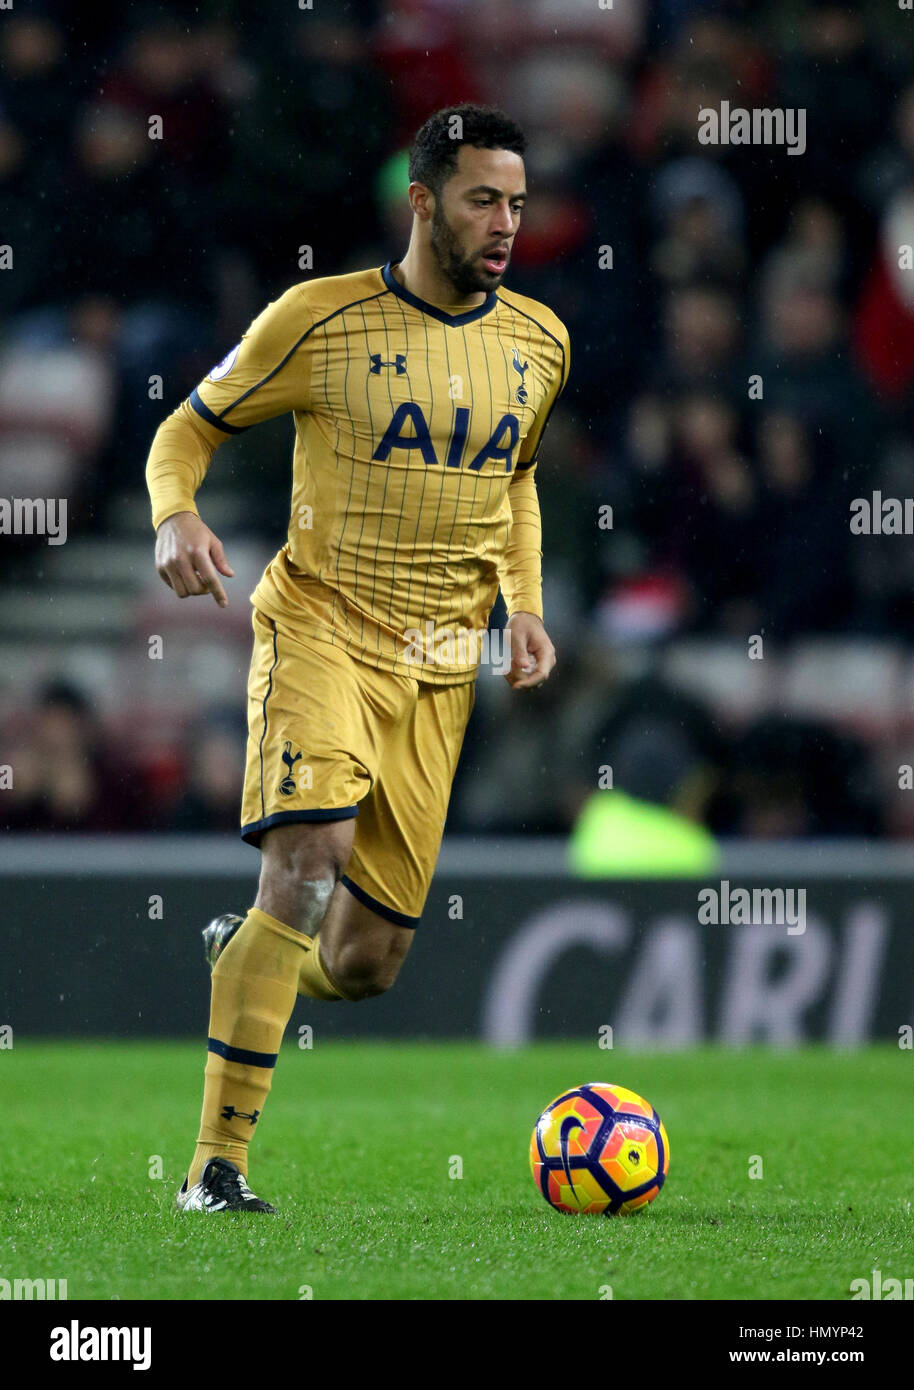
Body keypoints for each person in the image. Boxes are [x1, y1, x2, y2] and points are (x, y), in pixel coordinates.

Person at [145, 104, 570, 1213]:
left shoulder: (538, 340)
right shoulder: (317, 319)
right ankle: (213, 1168)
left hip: (442, 660)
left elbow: (516, 479)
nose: (504, 224)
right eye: (482, 199)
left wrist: (521, 604)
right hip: (324, 625)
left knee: (367, 962)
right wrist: (173, 516)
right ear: (421, 201)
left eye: (517, 203)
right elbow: (185, 429)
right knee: (308, 853)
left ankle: (254, 954)